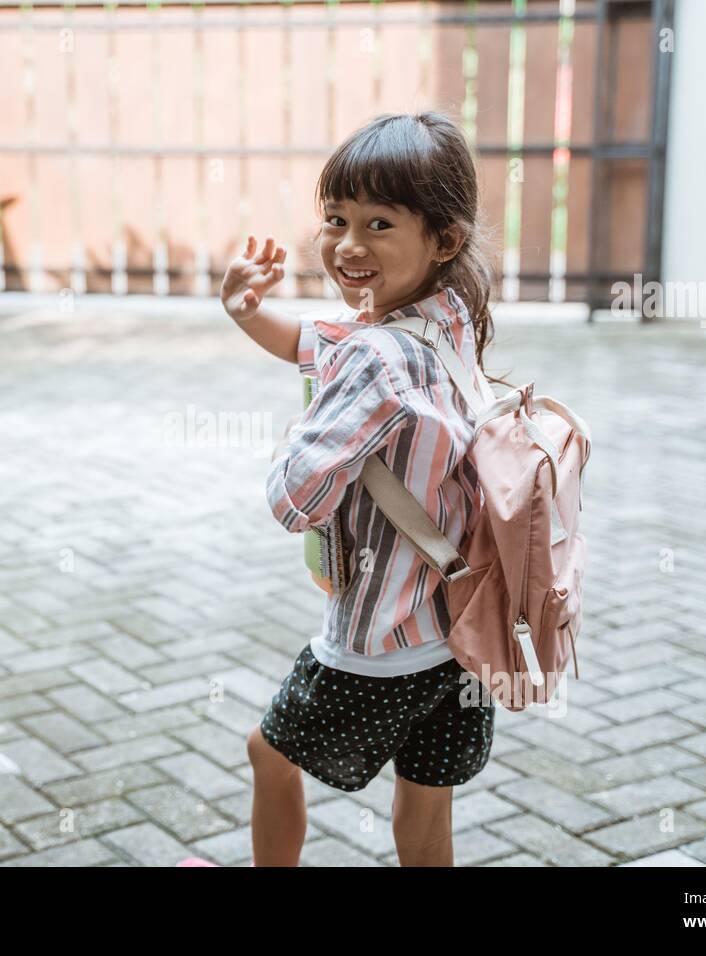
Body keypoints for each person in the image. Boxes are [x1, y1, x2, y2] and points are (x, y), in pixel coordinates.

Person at [219, 112, 503, 867]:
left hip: (380, 643)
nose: (349, 244)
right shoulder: (446, 316)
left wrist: (308, 432)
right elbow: (312, 341)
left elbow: (292, 501)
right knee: (424, 804)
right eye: (336, 219)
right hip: (459, 629)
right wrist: (246, 309)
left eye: (380, 223)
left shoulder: (375, 358)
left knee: (267, 754)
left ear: (443, 238)